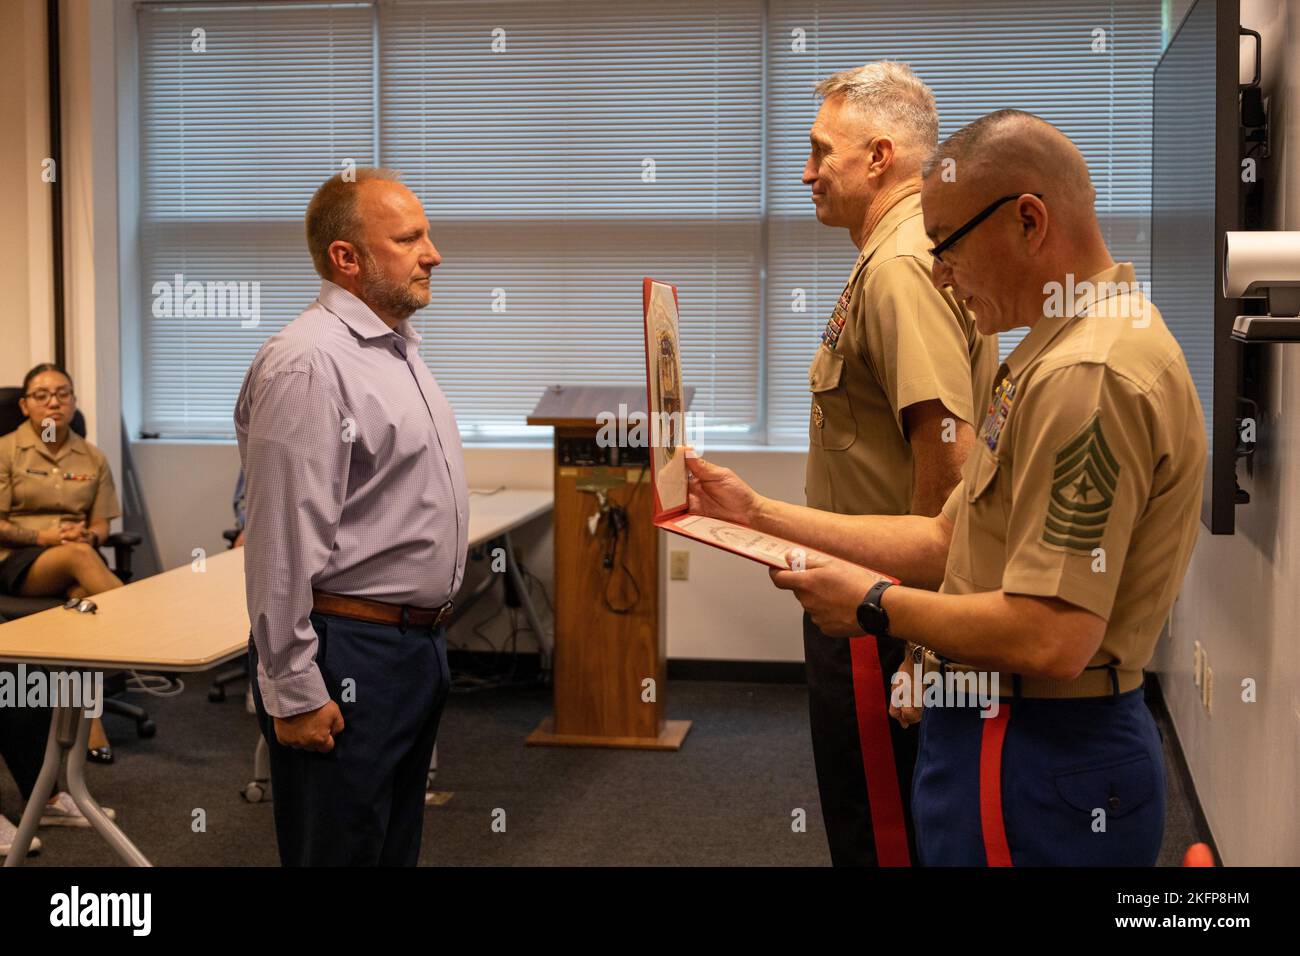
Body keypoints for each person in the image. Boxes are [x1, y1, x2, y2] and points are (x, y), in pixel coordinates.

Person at [686, 110, 1205, 865]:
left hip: (1041, 749)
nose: (937, 274)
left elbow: (1052, 636)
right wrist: (759, 514)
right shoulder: (1050, 354)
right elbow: (945, 539)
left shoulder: (1088, 375)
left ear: (1028, 221)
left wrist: (874, 606)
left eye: (948, 245)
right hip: (1004, 731)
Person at [791, 62, 998, 866]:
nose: (807, 173)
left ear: (879, 155)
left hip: (882, 608)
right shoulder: (898, 251)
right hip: (879, 600)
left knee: (883, 831)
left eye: (820, 152)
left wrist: (917, 639)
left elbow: (946, 458)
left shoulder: (905, 263)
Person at [236, 167, 469, 866]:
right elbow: (279, 545)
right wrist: (294, 688)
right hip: (346, 651)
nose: (434, 253)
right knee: (338, 852)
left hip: (411, 651)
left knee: (387, 849)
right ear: (347, 257)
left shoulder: (396, 352)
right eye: (410, 238)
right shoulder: (309, 364)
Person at [0, 363, 124, 763]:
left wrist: (91, 535)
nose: (54, 401)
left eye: (63, 393)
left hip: (73, 561)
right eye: (41, 395)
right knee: (78, 556)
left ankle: (90, 721)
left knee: (82, 601)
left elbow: (102, 521)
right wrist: (45, 538)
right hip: (16, 563)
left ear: (73, 402)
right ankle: (143, 626)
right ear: (24, 406)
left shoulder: (93, 457)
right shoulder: (5, 451)